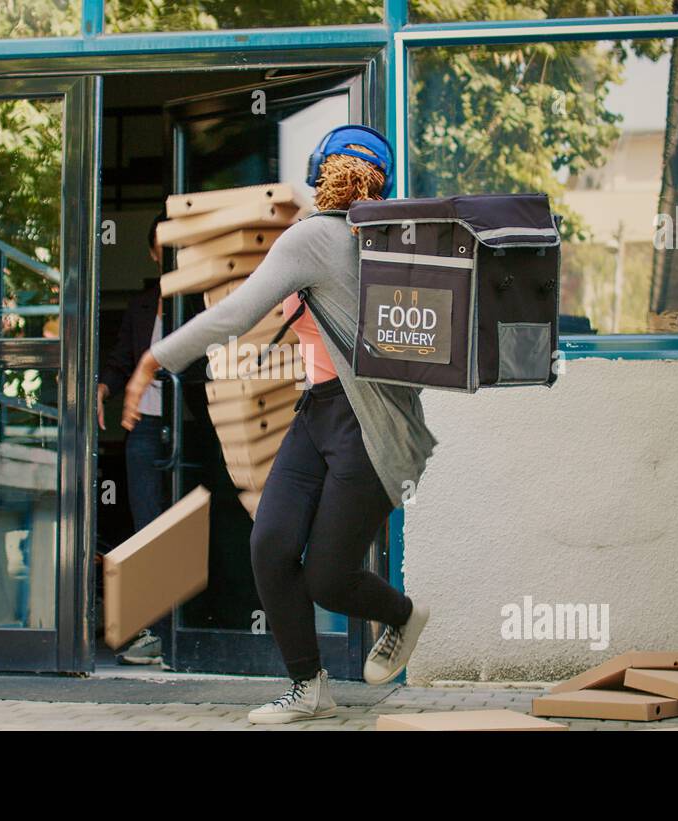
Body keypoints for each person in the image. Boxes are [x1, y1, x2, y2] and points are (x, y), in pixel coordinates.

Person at [121, 125, 437, 724]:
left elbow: (236, 314)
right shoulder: (376, 238)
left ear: (324, 173)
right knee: (270, 545)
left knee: (327, 576)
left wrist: (153, 358)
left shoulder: (312, 239)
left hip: (363, 428)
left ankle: (400, 615)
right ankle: (310, 687)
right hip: (318, 414)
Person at [97, 213, 171, 665]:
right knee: (149, 529)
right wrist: (105, 384)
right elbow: (122, 356)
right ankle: (154, 632)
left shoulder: (200, 303)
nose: (169, 252)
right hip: (143, 427)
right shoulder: (141, 305)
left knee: (193, 526)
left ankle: (183, 632)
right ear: (152, 252)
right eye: (162, 245)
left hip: (190, 429)